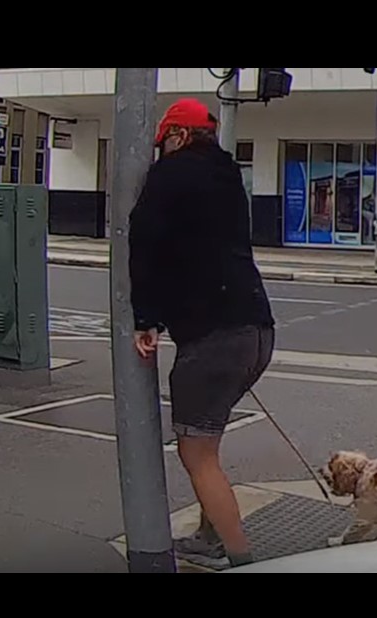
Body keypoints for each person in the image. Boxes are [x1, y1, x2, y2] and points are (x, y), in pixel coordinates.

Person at [128, 97, 275, 569]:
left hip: (213, 336)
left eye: (163, 142)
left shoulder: (170, 174)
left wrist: (145, 318)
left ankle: (240, 557)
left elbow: (144, 239)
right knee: (210, 438)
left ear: (177, 136)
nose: (160, 151)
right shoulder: (228, 175)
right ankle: (210, 537)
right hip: (257, 330)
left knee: (199, 454)